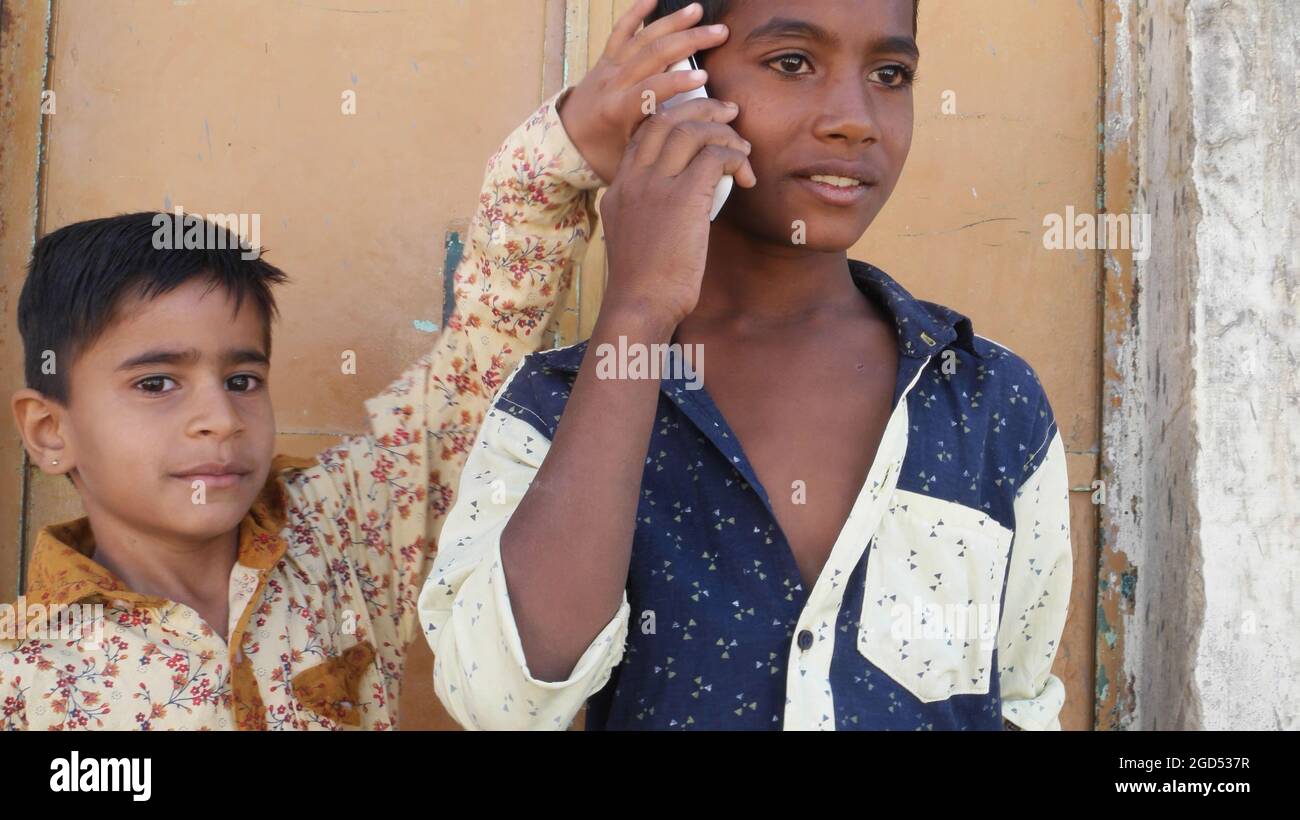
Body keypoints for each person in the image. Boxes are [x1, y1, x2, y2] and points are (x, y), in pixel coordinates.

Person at [0, 0, 726, 730]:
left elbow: (476, 360)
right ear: (49, 428)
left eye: (242, 379)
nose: (218, 418)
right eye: (157, 383)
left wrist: (569, 145)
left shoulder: (339, 533)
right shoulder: (23, 677)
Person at [420, 0, 1073, 731]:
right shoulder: (557, 404)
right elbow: (502, 700)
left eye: (890, 73)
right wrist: (637, 309)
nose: (855, 117)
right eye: (792, 63)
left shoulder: (988, 401)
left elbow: (1016, 702)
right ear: (680, 86)